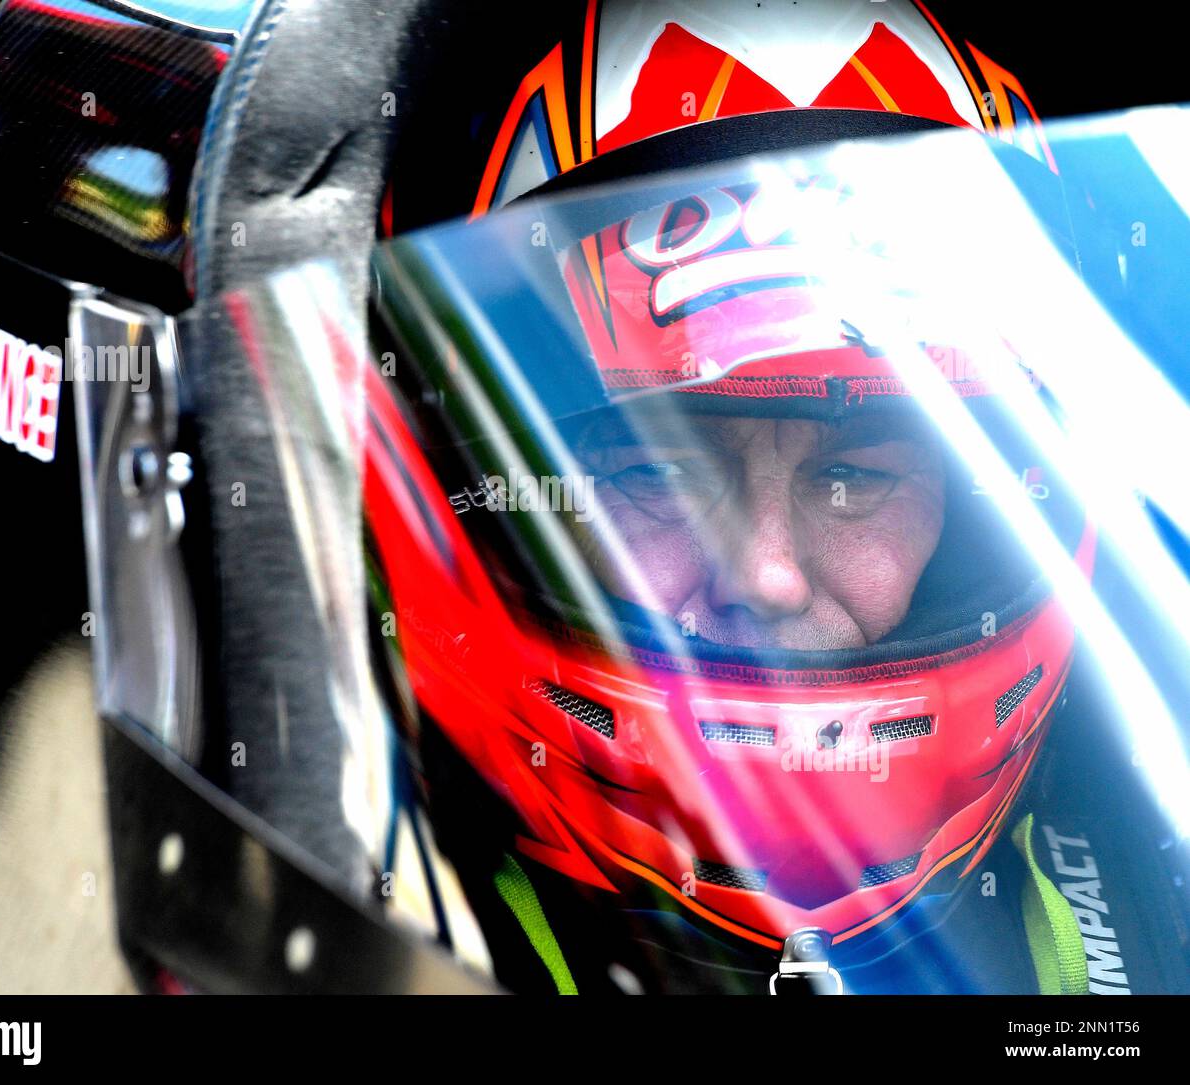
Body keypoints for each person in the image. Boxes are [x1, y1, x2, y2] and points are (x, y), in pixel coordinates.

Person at [357, 0, 1189, 993]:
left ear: (981, 512)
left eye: (853, 476)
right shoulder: (367, 884)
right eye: (659, 471)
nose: (767, 575)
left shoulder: (1152, 895)